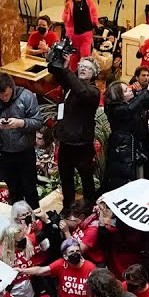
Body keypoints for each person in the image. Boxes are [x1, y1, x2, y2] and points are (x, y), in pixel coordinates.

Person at [0, 71, 43, 206]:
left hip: (25, 150)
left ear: (12, 88)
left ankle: (36, 217)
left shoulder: (26, 96)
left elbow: (38, 121)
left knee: (30, 188)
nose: (4, 97)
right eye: (0, 95)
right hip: (4, 151)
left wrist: (21, 123)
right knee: (13, 189)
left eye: (6, 94)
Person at [47, 51, 101, 213]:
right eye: (81, 66)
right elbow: (56, 71)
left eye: (88, 68)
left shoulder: (93, 91)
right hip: (66, 141)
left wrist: (67, 70)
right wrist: (54, 58)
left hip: (81, 143)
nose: (83, 69)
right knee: (65, 176)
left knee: (86, 177)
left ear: (94, 74)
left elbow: (81, 91)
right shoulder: (70, 85)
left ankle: (90, 204)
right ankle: (67, 204)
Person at [61, 0, 98, 68]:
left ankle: (84, 75)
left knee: (85, 57)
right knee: (73, 57)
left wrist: (96, 22)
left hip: (86, 34)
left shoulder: (88, 0)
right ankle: (73, 76)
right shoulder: (70, 3)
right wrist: (66, 9)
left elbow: (94, 13)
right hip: (74, 35)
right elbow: (65, 19)